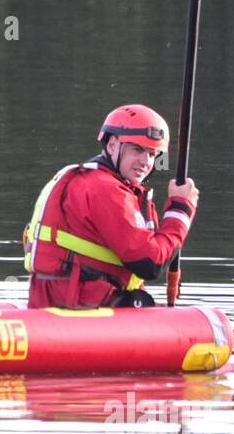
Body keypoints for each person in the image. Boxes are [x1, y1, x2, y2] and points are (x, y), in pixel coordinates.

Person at [22, 104, 200, 309]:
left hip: (59, 300)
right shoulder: (106, 189)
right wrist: (180, 210)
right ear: (113, 145)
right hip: (81, 305)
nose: (145, 161)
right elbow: (150, 264)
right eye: (137, 149)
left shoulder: (89, 179)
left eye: (152, 154)